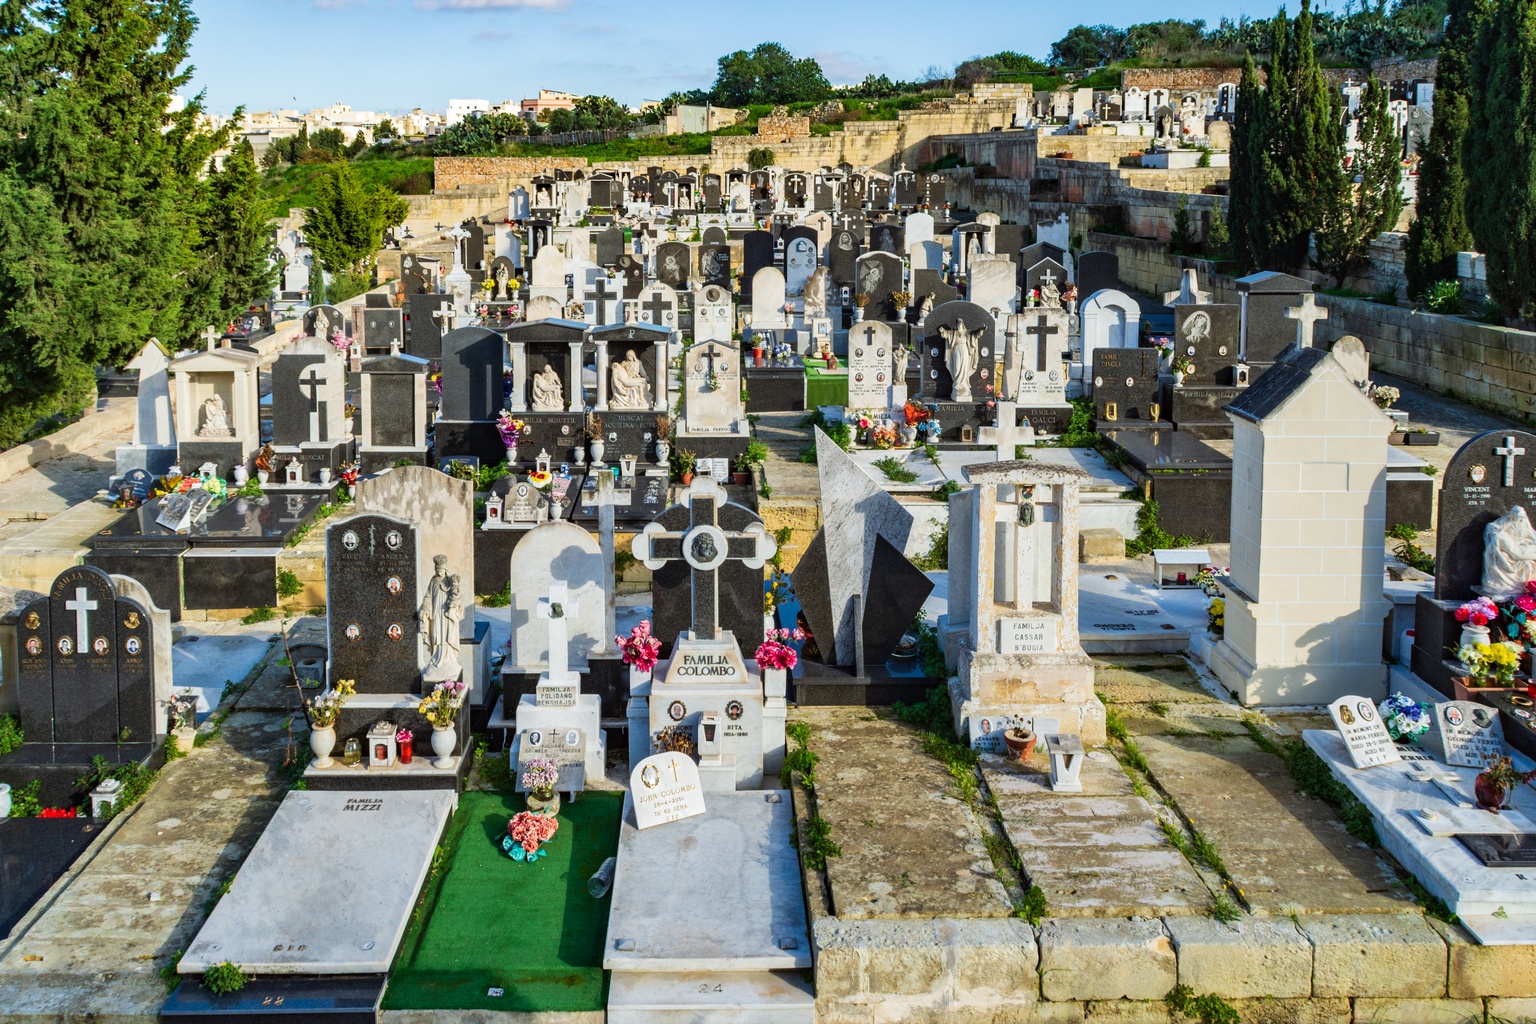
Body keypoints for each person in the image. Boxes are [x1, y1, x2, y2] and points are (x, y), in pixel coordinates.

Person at [419, 555, 464, 682]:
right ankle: (437, 658)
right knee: (436, 636)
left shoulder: (450, 581)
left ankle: (448, 659)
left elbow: (458, 595)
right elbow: (428, 597)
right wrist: (425, 609)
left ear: (445, 569)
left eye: (442, 570)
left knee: (446, 635)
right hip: (436, 614)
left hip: (446, 615)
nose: (439, 573)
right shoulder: (433, 581)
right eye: (437, 570)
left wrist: (455, 600)